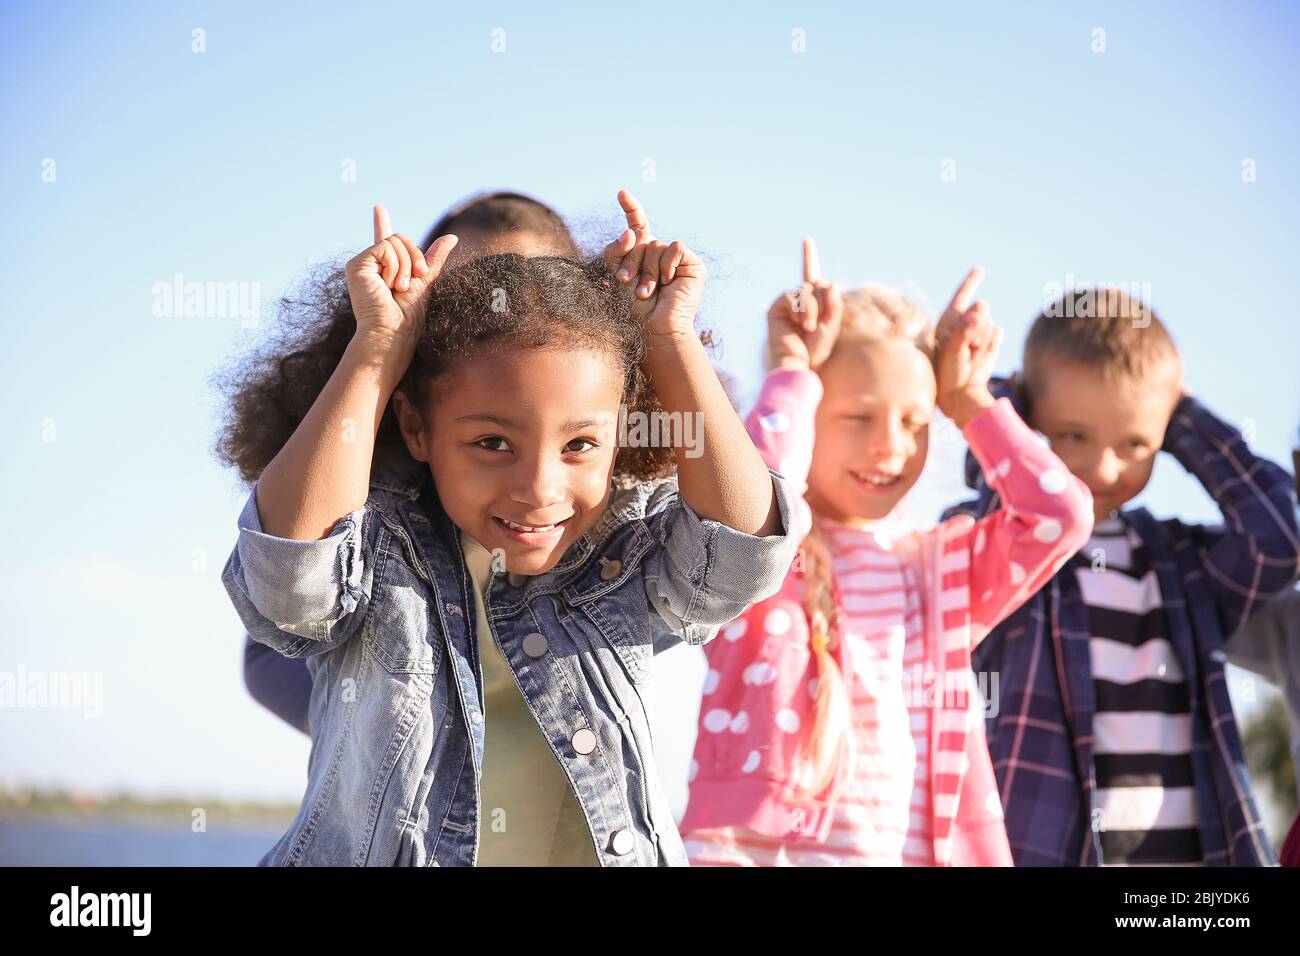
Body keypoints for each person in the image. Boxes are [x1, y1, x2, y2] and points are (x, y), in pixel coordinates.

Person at [216, 191, 801, 865]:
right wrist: (375, 349)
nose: (538, 488)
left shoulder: (621, 543)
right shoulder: (375, 540)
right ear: (416, 415)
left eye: (580, 444)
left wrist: (666, 339)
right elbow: (290, 589)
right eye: (493, 442)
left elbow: (738, 560)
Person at [679, 247, 1092, 865]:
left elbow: (1060, 518)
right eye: (858, 416)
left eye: (915, 421)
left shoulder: (939, 573)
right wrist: (793, 366)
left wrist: (970, 400)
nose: (890, 447)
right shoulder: (767, 558)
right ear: (810, 411)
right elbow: (750, 496)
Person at [944, 288, 1300, 865]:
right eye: (1074, 435)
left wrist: (1179, 413)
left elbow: (1278, 537)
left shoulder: (1182, 562)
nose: (1104, 468)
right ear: (1030, 423)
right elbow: (987, 514)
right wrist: (993, 406)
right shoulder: (998, 544)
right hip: (1039, 847)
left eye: (1135, 443)